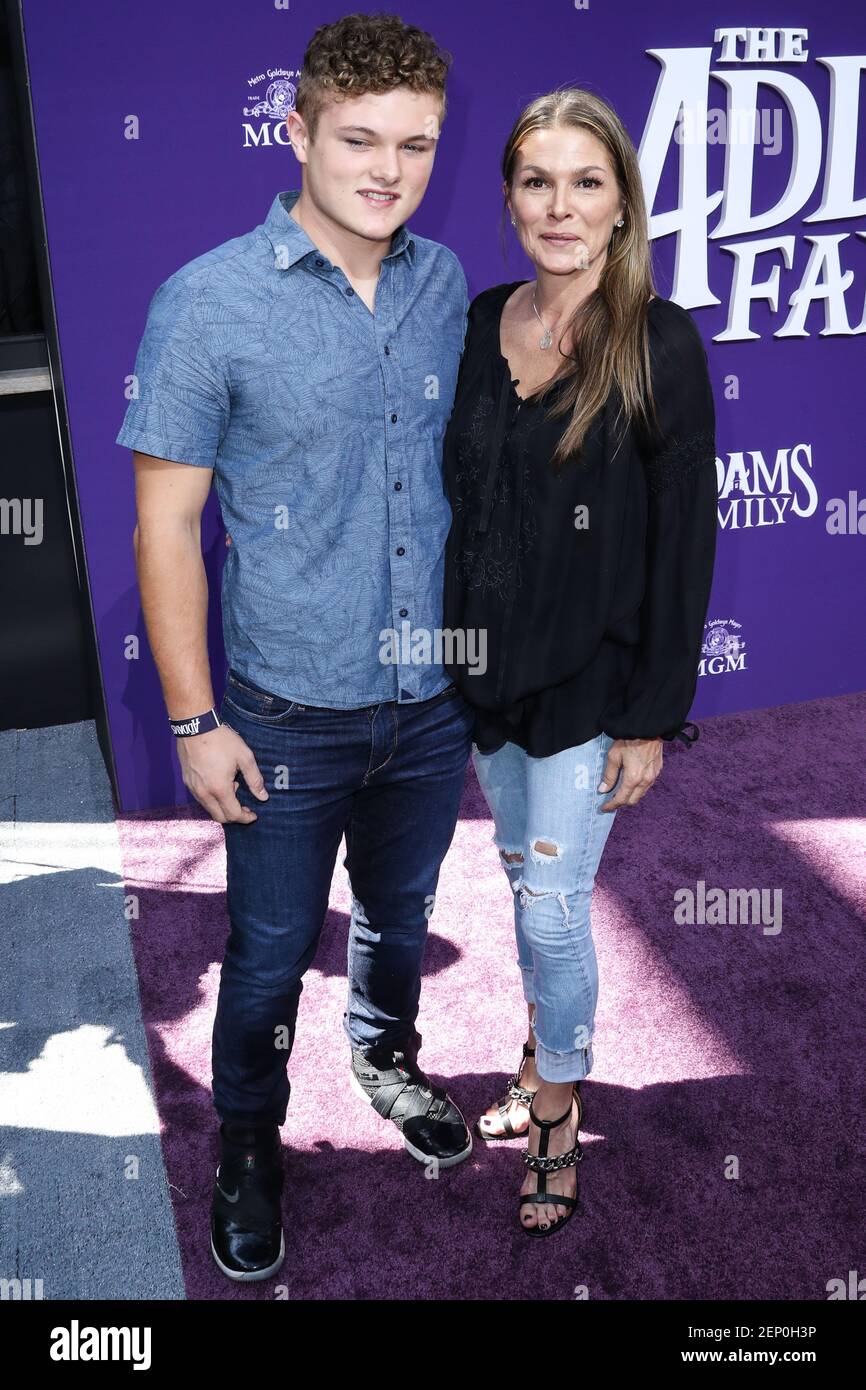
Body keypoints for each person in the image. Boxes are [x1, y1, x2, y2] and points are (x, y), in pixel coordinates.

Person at [116, 12, 475, 1282]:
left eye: (417, 145)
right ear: (298, 133)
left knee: (398, 913)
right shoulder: (208, 303)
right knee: (265, 953)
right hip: (279, 712)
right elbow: (165, 527)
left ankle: (386, 1055)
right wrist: (193, 719)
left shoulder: (442, 288)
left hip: (432, 701)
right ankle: (250, 1141)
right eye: (360, 140)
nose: (389, 169)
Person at [442, 87, 718, 1237]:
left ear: (620, 205)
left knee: (551, 909)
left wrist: (652, 716)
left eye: (584, 182)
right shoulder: (477, 320)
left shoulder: (656, 339)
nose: (559, 207)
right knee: (521, 884)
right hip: (484, 679)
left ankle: (556, 1102)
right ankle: (534, 1050)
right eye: (536, 181)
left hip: (591, 689)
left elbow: (682, 541)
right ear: (508, 197)